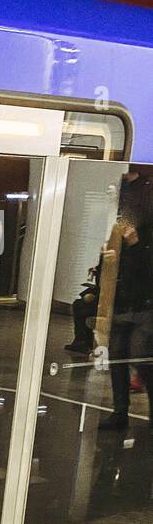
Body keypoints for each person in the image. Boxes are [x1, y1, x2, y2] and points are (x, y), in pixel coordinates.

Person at [98, 171, 153, 432]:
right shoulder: (117, 231)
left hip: (143, 304)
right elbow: (109, 268)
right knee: (118, 358)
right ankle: (120, 411)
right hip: (121, 301)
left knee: (141, 359)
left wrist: (135, 245)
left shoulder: (142, 237)